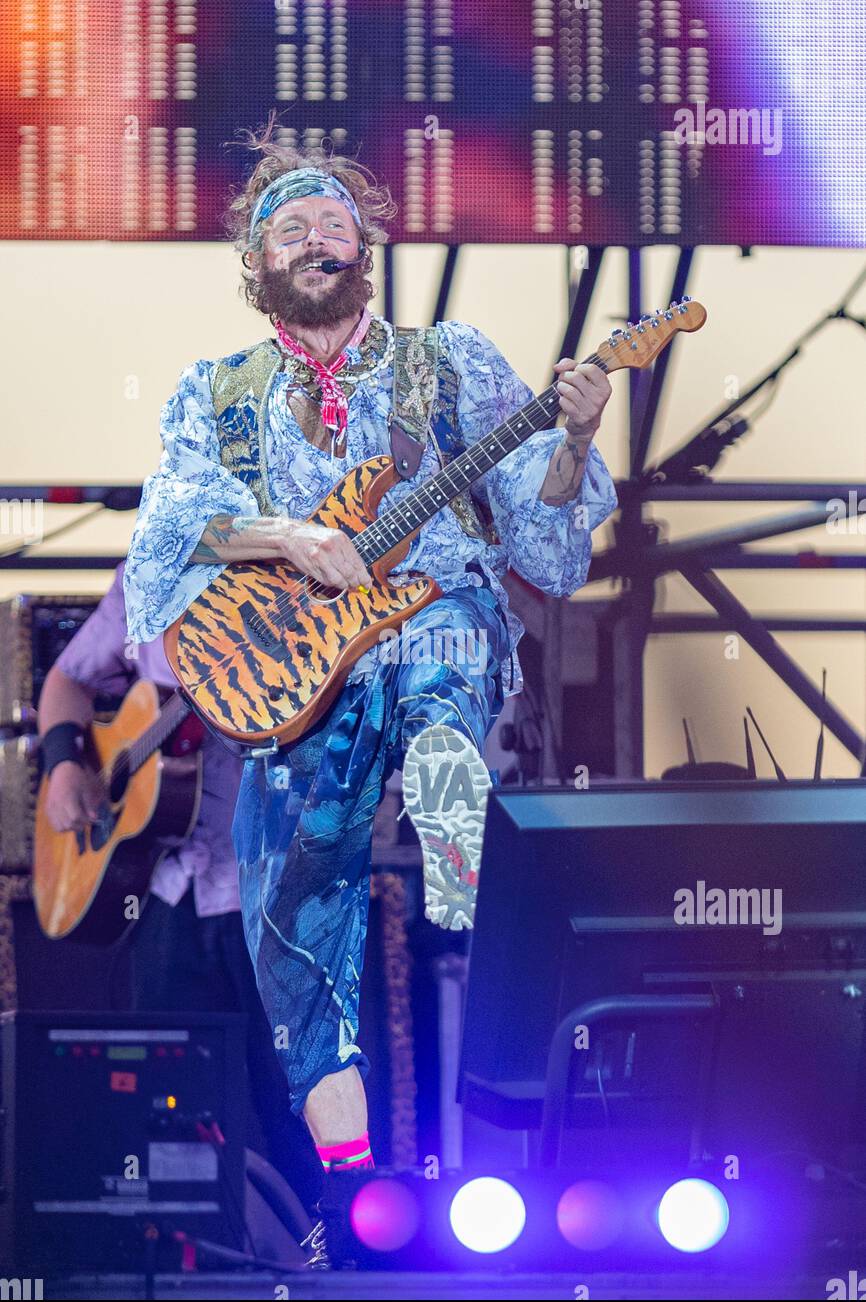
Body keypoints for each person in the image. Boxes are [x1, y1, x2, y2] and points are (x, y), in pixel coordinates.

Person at [123, 125, 618, 1216]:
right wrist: (286, 540)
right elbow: (164, 536)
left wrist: (576, 440)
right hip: (293, 669)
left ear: (366, 253)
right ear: (254, 266)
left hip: (427, 614)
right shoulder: (217, 393)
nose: (314, 239)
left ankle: (450, 812)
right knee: (289, 909)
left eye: (333, 225)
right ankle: (355, 1191)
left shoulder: (450, 365)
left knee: (433, 667)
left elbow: (547, 548)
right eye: (287, 227)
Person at [37, 561, 321, 1211]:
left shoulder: (295, 568)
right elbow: (67, 680)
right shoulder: (146, 573)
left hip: (280, 887)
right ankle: (191, 1263)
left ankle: (331, 1260)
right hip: (173, 892)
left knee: (299, 1102)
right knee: (169, 1106)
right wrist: (62, 766)